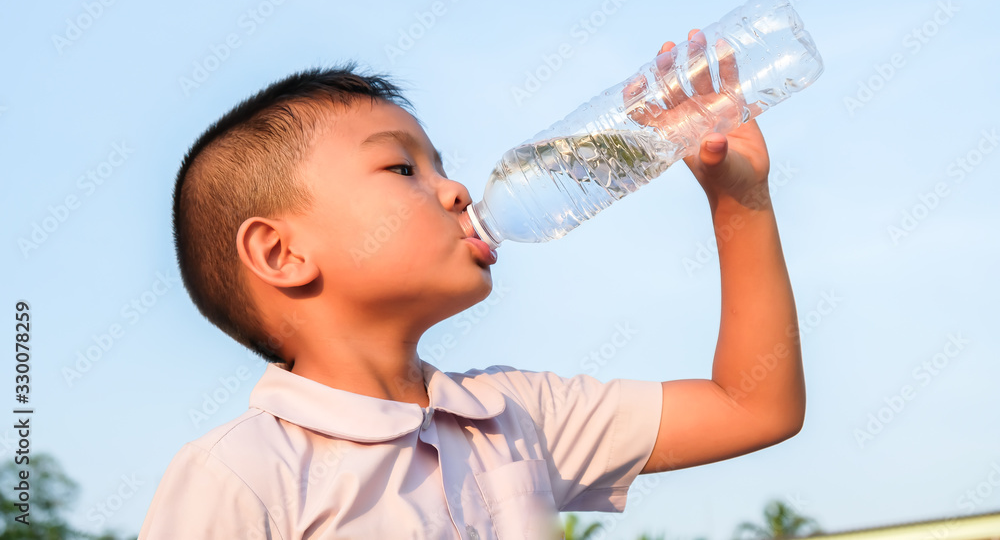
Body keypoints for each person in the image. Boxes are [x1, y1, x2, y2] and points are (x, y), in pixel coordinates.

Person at [138, 29, 806, 539]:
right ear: (281, 252)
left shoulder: (513, 417)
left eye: (441, 165)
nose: (456, 188)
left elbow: (754, 406)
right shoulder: (242, 473)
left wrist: (737, 200)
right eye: (403, 169)